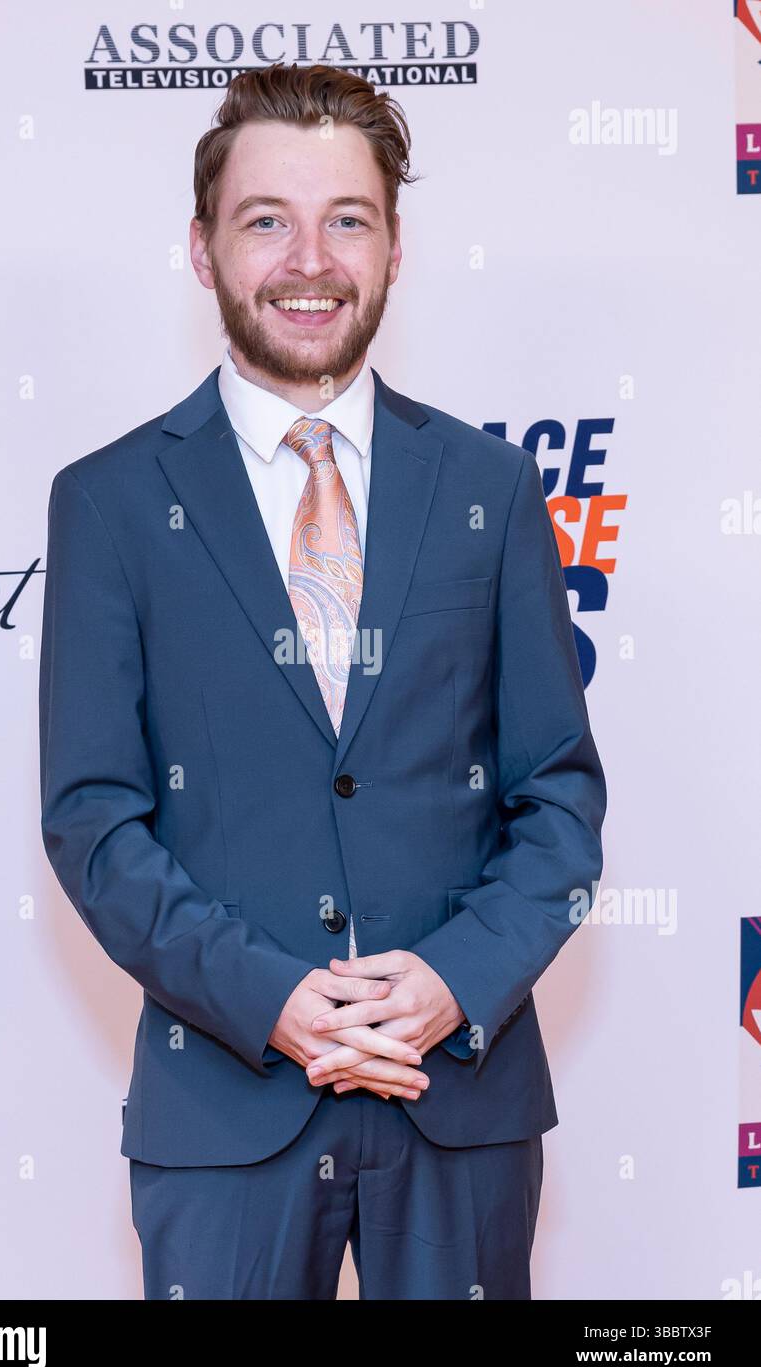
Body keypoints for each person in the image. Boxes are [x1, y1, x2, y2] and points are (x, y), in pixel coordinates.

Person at [38, 61, 606, 1300]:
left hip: (454, 1093)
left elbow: (556, 804)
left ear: (395, 247)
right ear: (201, 250)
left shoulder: (490, 490)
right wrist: (276, 998)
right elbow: (91, 820)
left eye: (346, 218)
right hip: (223, 1101)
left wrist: (453, 979)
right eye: (265, 220)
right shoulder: (110, 502)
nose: (310, 260)